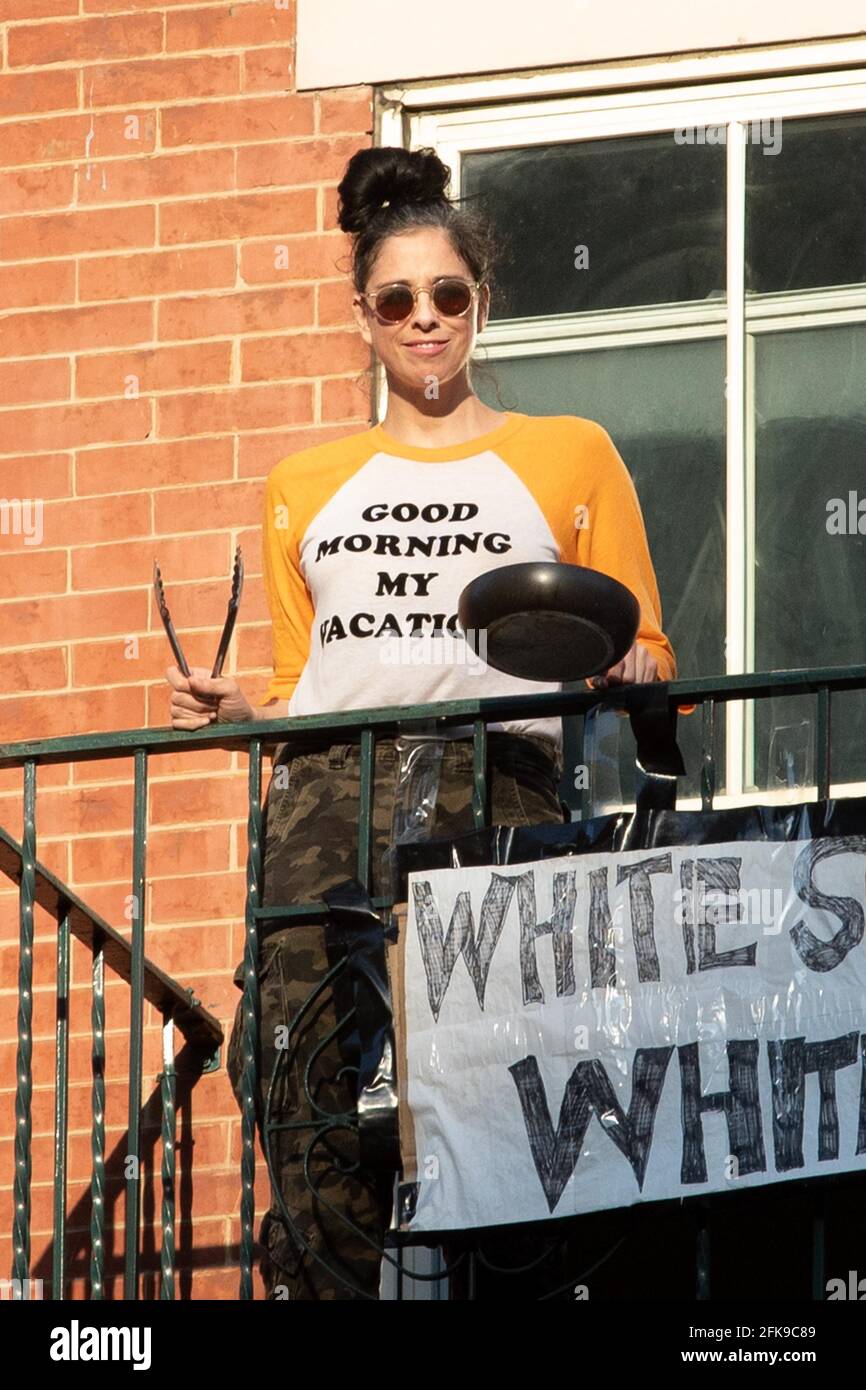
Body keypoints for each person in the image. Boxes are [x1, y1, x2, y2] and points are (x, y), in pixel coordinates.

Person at [166, 145, 677, 1300]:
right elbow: (317, 677)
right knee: (302, 1061)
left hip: (496, 784)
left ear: (479, 303)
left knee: (497, 1067)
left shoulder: (569, 451)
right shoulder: (305, 480)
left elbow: (648, 651)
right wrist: (248, 709)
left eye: (448, 294)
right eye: (396, 299)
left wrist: (634, 664)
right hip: (321, 791)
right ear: (362, 317)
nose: (424, 319)